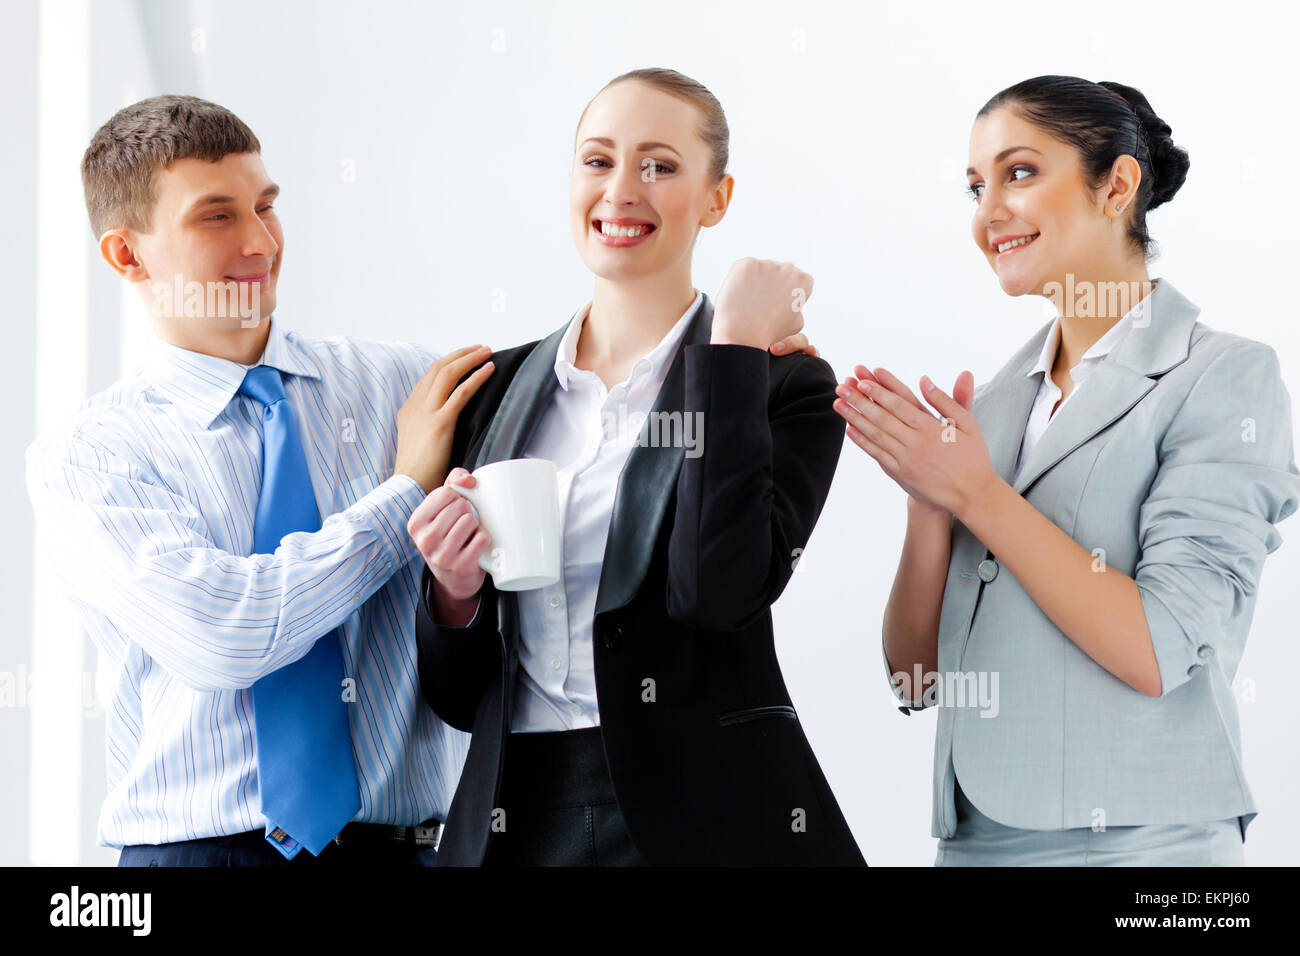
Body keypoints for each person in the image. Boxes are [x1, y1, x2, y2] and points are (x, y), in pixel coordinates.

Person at [834, 75, 1300, 865]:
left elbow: (1158, 649)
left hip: (1148, 849)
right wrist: (929, 505)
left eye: (1019, 173)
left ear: (1118, 184)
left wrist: (977, 495)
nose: (988, 215)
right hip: (974, 841)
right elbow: (917, 683)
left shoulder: (1224, 377)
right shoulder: (993, 408)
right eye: (976, 186)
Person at [407, 68, 864, 866]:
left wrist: (732, 359)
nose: (622, 190)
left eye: (659, 165)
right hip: (520, 815)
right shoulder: (492, 392)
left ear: (717, 198)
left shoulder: (779, 385)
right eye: (597, 161)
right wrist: (453, 592)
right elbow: (455, 697)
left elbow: (716, 591)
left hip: (711, 819)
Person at [25, 95, 496, 866]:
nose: (260, 241)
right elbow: (224, 636)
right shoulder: (91, 456)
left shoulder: (403, 388)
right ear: (127, 255)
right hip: (195, 855)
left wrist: (741, 367)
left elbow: (573, 406)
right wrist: (403, 496)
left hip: (402, 850)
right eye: (216, 216)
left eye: (266, 205)